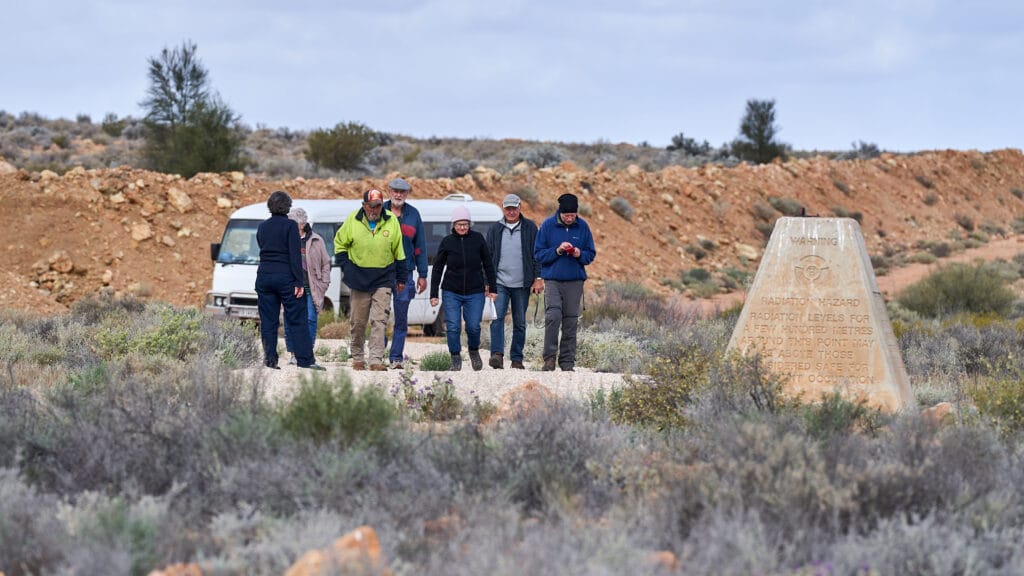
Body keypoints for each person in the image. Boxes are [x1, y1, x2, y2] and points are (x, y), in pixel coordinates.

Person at [333, 189, 406, 371]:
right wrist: (347, 268)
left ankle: (376, 360)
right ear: (364, 206)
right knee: (358, 322)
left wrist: (402, 277)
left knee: (379, 321)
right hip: (358, 278)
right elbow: (339, 244)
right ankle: (357, 357)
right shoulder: (353, 220)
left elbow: (399, 251)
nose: (375, 210)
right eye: (371, 206)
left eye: (378, 206)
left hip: (384, 278)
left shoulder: (391, 221)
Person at [255, 190, 324, 370]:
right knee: (297, 319)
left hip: (264, 277)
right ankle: (305, 360)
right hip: (285, 278)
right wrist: (299, 282)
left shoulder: (262, 227)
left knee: (268, 321)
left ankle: (270, 361)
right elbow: (295, 256)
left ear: (270, 206)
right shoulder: (290, 226)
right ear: (287, 207)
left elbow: (262, 248)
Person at [429, 205, 497, 371]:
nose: (462, 227)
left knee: (473, 326)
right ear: (453, 225)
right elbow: (437, 268)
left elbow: (488, 263)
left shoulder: (478, 239)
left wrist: (493, 287)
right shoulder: (447, 242)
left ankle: (473, 350)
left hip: (475, 291)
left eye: (465, 224)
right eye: (459, 224)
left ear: (469, 224)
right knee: (453, 326)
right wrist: (433, 293)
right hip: (451, 290)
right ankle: (455, 357)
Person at [533, 193, 596, 371]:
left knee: (570, 322)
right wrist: (558, 250)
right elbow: (538, 254)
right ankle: (549, 358)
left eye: (572, 215)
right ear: (560, 212)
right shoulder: (547, 226)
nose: (569, 218)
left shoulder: (583, 227)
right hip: (553, 280)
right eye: (566, 215)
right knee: (553, 316)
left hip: (575, 282)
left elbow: (590, 254)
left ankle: (567, 362)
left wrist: (579, 254)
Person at [486, 193, 543, 369]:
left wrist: (538, 278)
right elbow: (487, 257)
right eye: (508, 208)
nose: (511, 212)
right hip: (500, 283)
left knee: (519, 322)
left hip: (522, 284)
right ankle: (497, 354)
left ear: (520, 208)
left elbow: (537, 255)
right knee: (497, 319)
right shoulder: (495, 229)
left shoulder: (530, 228)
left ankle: (517, 358)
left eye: (514, 208)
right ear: (503, 209)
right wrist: (488, 282)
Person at [383, 177, 428, 369]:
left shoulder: (413, 214)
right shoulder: (379, 211)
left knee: (401, 317)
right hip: (382, 272)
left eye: (402, 192)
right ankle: (377, 353)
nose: (398, 194)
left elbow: (420, 247)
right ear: (390, 191)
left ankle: (396, 358)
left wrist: (423, 274)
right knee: (379, 316)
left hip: (405, 274)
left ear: (407, 194)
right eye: (395, 191)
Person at [284, 207, 331, 365]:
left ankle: (307, 352)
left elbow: (326, 263)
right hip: (292, 287)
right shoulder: (286, 239)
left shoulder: (316, 240)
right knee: (291, 319)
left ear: (302, 224)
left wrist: (324, 283)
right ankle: (293, 354)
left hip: (312, 287)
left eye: (292, 222)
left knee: (311, 319)